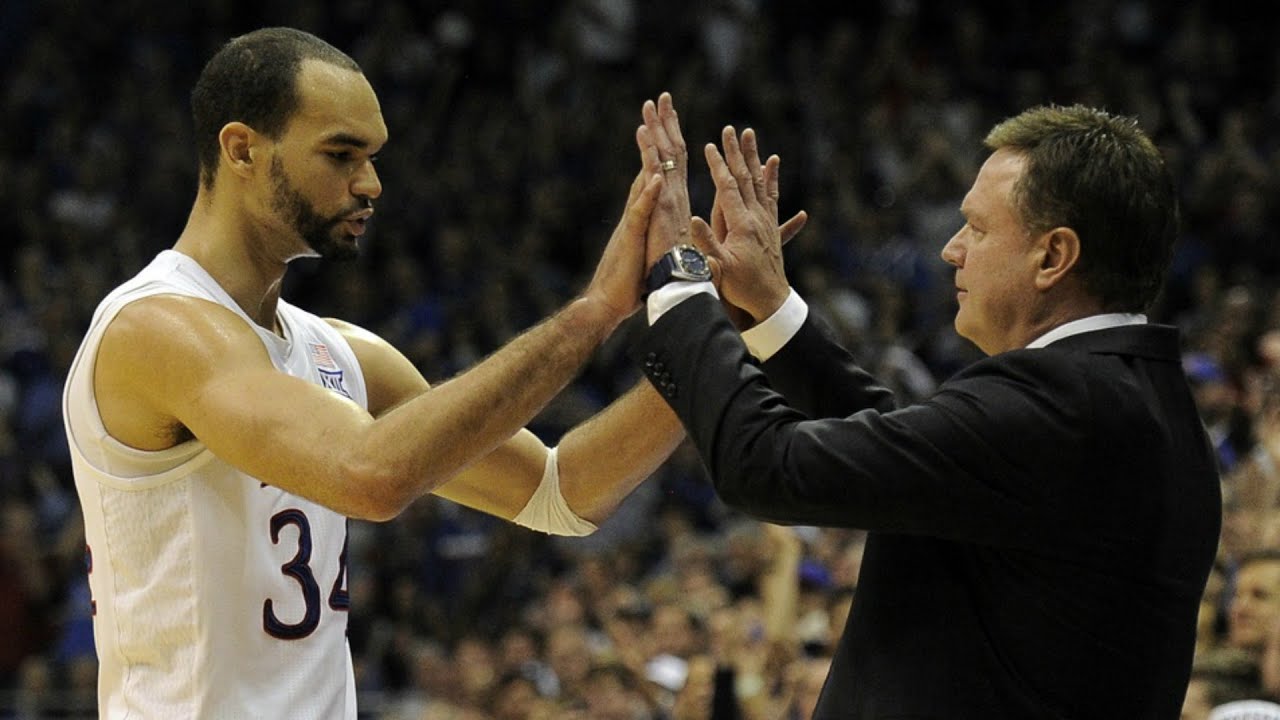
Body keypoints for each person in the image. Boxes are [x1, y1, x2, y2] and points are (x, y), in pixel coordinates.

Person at [61, 27, 696, 718]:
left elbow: (562, 492)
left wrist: (718, 342)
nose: (371, 184)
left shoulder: (342, 353)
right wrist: (593, 314)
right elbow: (371, 477)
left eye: (372, 157)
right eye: (341, 154)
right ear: (242, 148)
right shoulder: (155, 329)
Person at [632, 98, 1221, 716]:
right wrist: (771, 308)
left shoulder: (1067, 405)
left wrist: (678, 284)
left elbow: (766, 465)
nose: (951, 248)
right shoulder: (1125, 399)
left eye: (978, 227)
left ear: (1053, 256)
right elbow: (905, 458)